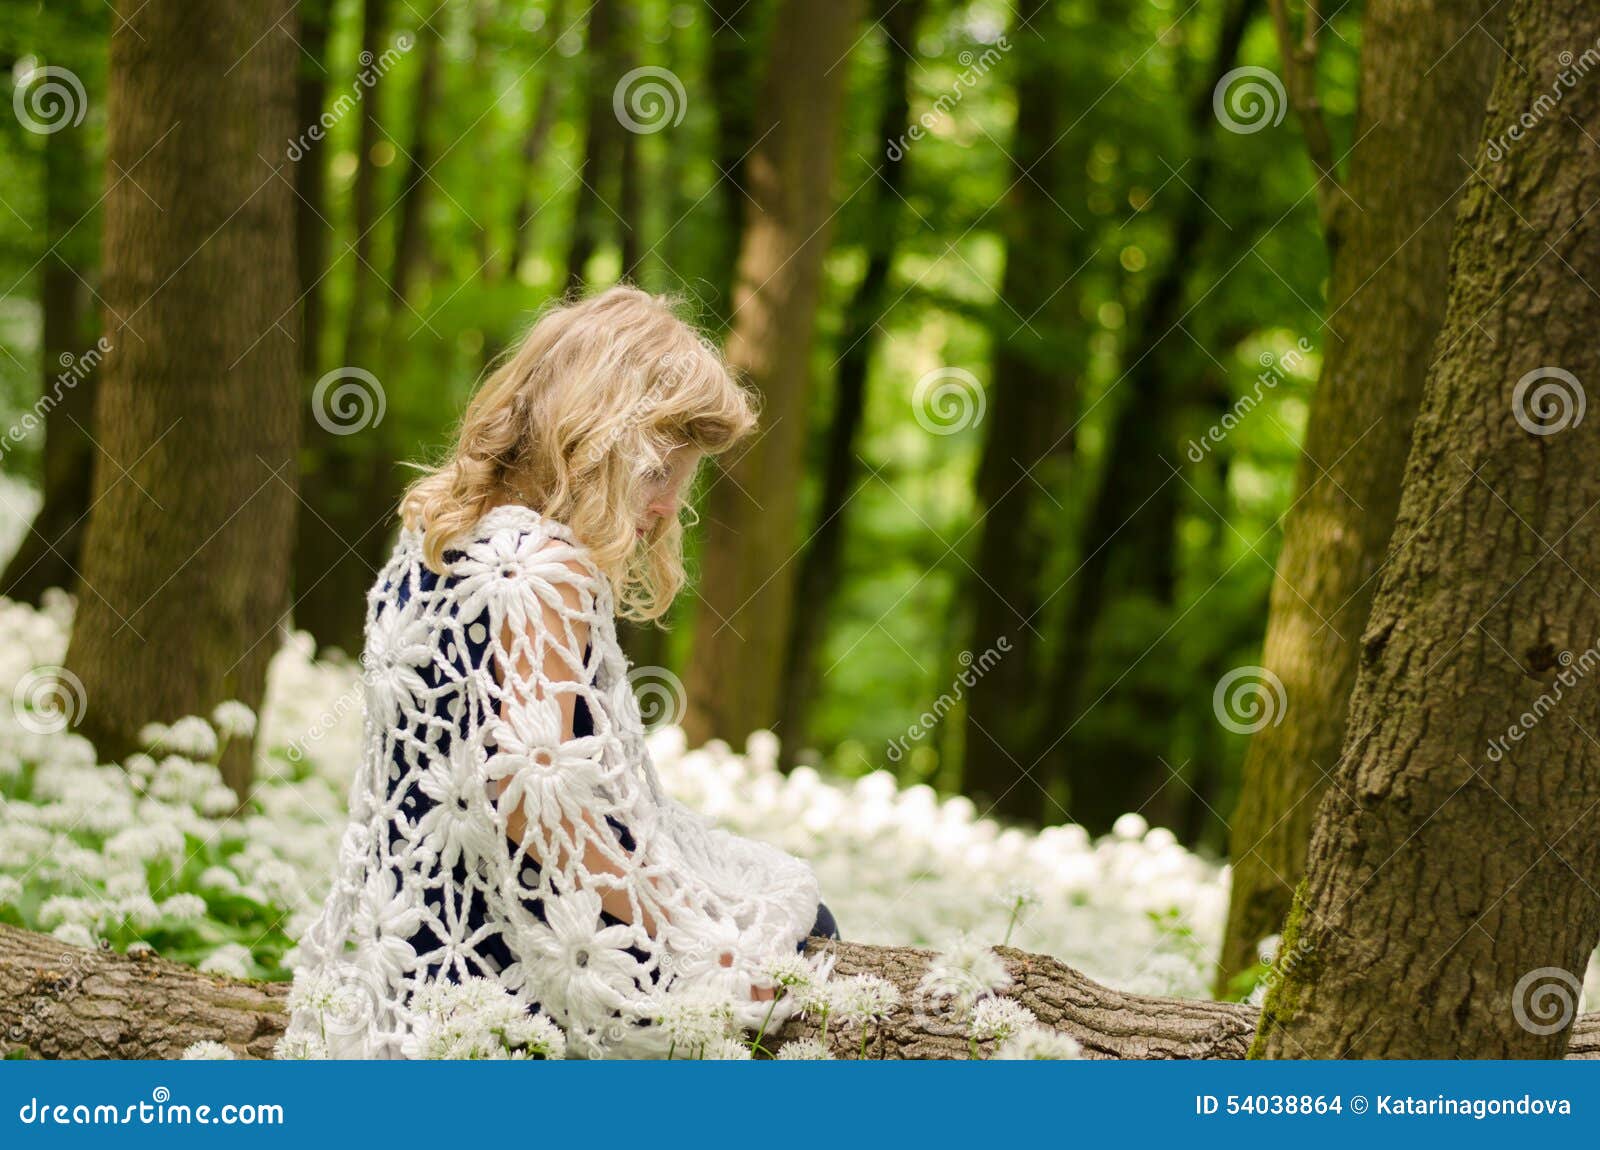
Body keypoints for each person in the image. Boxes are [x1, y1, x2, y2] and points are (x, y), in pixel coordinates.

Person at [286, 286, 838, 1059]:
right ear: (595, 438)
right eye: (659, 471)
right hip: (508, 947)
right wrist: (677, 931)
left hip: (416, 930)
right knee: (802, 931)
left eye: (683, 478)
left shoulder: (436, 530)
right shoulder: (540, 564)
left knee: (759, 888)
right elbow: (530, 790)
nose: (667, 505)